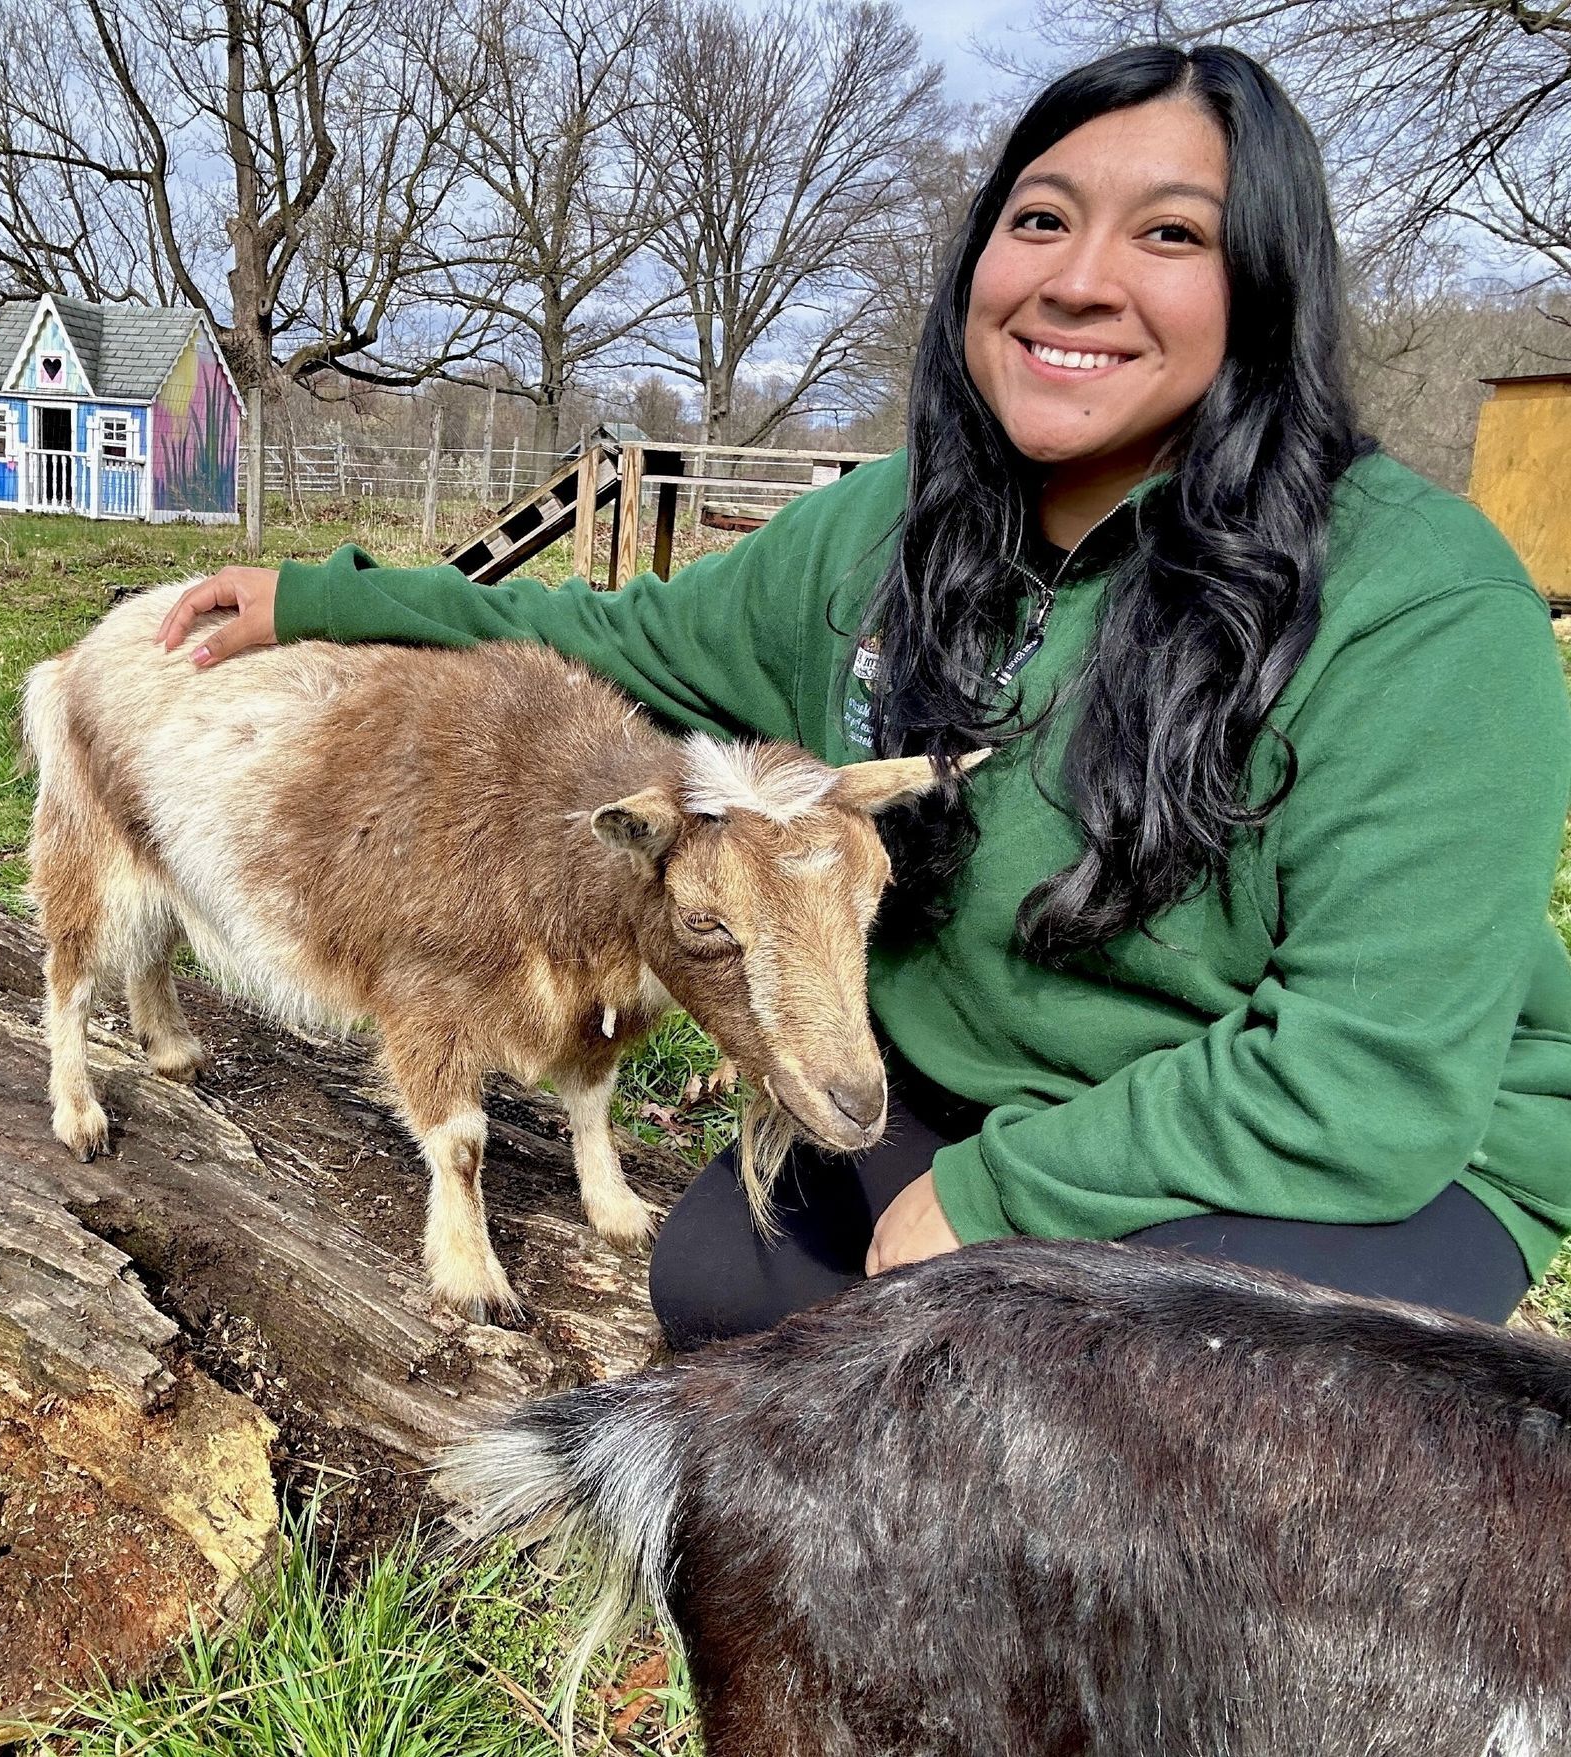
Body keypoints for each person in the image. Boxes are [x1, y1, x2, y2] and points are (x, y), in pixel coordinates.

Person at [156, 44, 1571, 1349]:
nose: (1077, 279)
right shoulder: (893, 530)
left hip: (1361, 1151)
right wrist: (325, 599)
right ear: (977, 262)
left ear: (1265, 285)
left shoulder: (1418, 604)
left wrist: (997, 1198)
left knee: (1031, 1409)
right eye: (1038, 219)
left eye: (1171, 234)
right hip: (999, 1082)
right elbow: (618, 633)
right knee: (721, 1294)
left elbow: (1369, 1075)